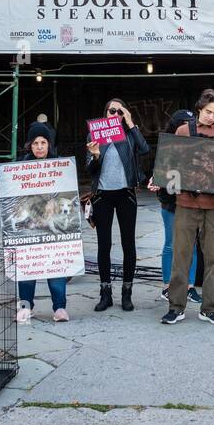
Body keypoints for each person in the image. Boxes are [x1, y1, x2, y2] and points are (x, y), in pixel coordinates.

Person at [163, 89, 214, 325]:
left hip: (213, 205)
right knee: (181, 256)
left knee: (213, 258)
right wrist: (165, 182)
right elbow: (171, 164)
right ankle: (176, 306)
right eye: (208, 112)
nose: (211, 117)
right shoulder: (184, 131)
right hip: (185, 203)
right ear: (199, 109)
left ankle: (209, 308)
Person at [86, 99, 150, 312]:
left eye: (120, 112)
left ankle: (127, 292)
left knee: (128, 244)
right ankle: (105, 293)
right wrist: (95, 157)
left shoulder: (130, 133)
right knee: (104, 245)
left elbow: (145, 149)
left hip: (126, 194)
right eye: (112, 111)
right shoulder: (95, 135)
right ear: (105, 113)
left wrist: (131, 122)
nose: (115, 114)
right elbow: (89, 168)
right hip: (102, 195)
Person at [15, 122, 70, 323]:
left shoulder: (60, 165)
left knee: (56, 266)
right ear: (30, 145)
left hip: (51, 224)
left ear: (49, 144)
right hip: (30, 223)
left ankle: (60, 307)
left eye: (43, 142)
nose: (39, 146)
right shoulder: (19, 166)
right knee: (27, 266)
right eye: (36, 143)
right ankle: (25, 306)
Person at [153, 109, 203, 306]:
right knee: (171, 244)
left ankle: (190, 287)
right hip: (171, 202)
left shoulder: (197, 145)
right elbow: (161, 173)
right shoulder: (168, 147)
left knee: (192, 245)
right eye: (186, 124)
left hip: (192, 202)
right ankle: (167, 286)